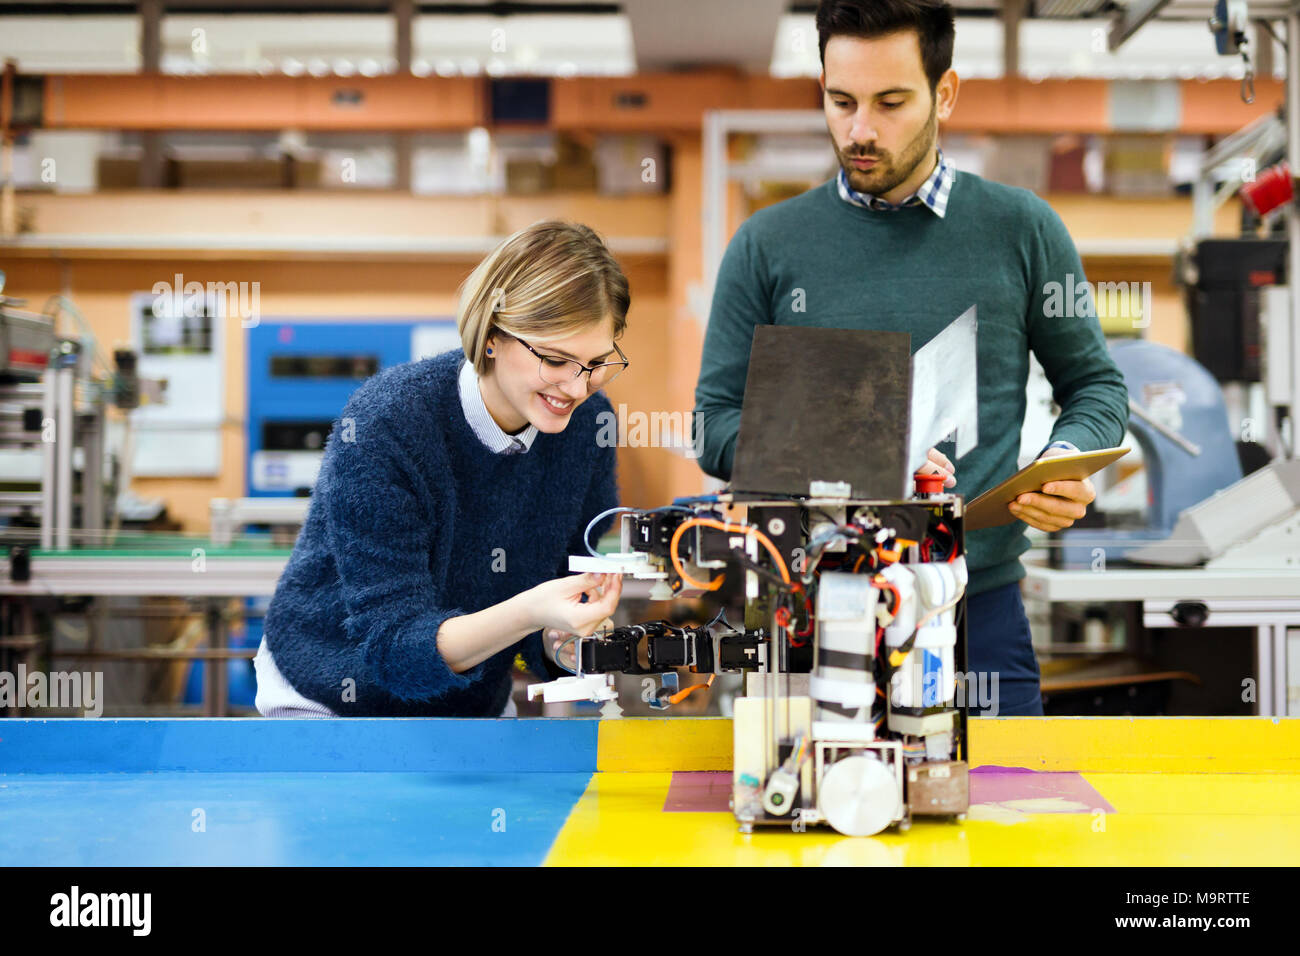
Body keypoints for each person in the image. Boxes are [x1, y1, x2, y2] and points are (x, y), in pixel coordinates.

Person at [692, 0, 1129, 716]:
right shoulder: (767, 246)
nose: (860, 130)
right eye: (841, 102)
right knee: (809, 815)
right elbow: (711, 425)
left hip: (977, 613)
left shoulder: (1021, 229)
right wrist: (849, 452)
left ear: (945, 93)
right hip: (815, 615)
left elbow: (1096, 388)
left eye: (891, 103)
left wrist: (1067, 461)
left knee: (1006, 819)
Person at [254, 220, 628, 717]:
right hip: (332, 695)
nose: (577, 388)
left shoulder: (589, 426)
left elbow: (554, 603)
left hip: (471, 703)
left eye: (597, 362)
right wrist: (532, 610)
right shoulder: (388, 422)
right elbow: (392, 648)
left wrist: (566, 643)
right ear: (493, 335)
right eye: (556, 360)